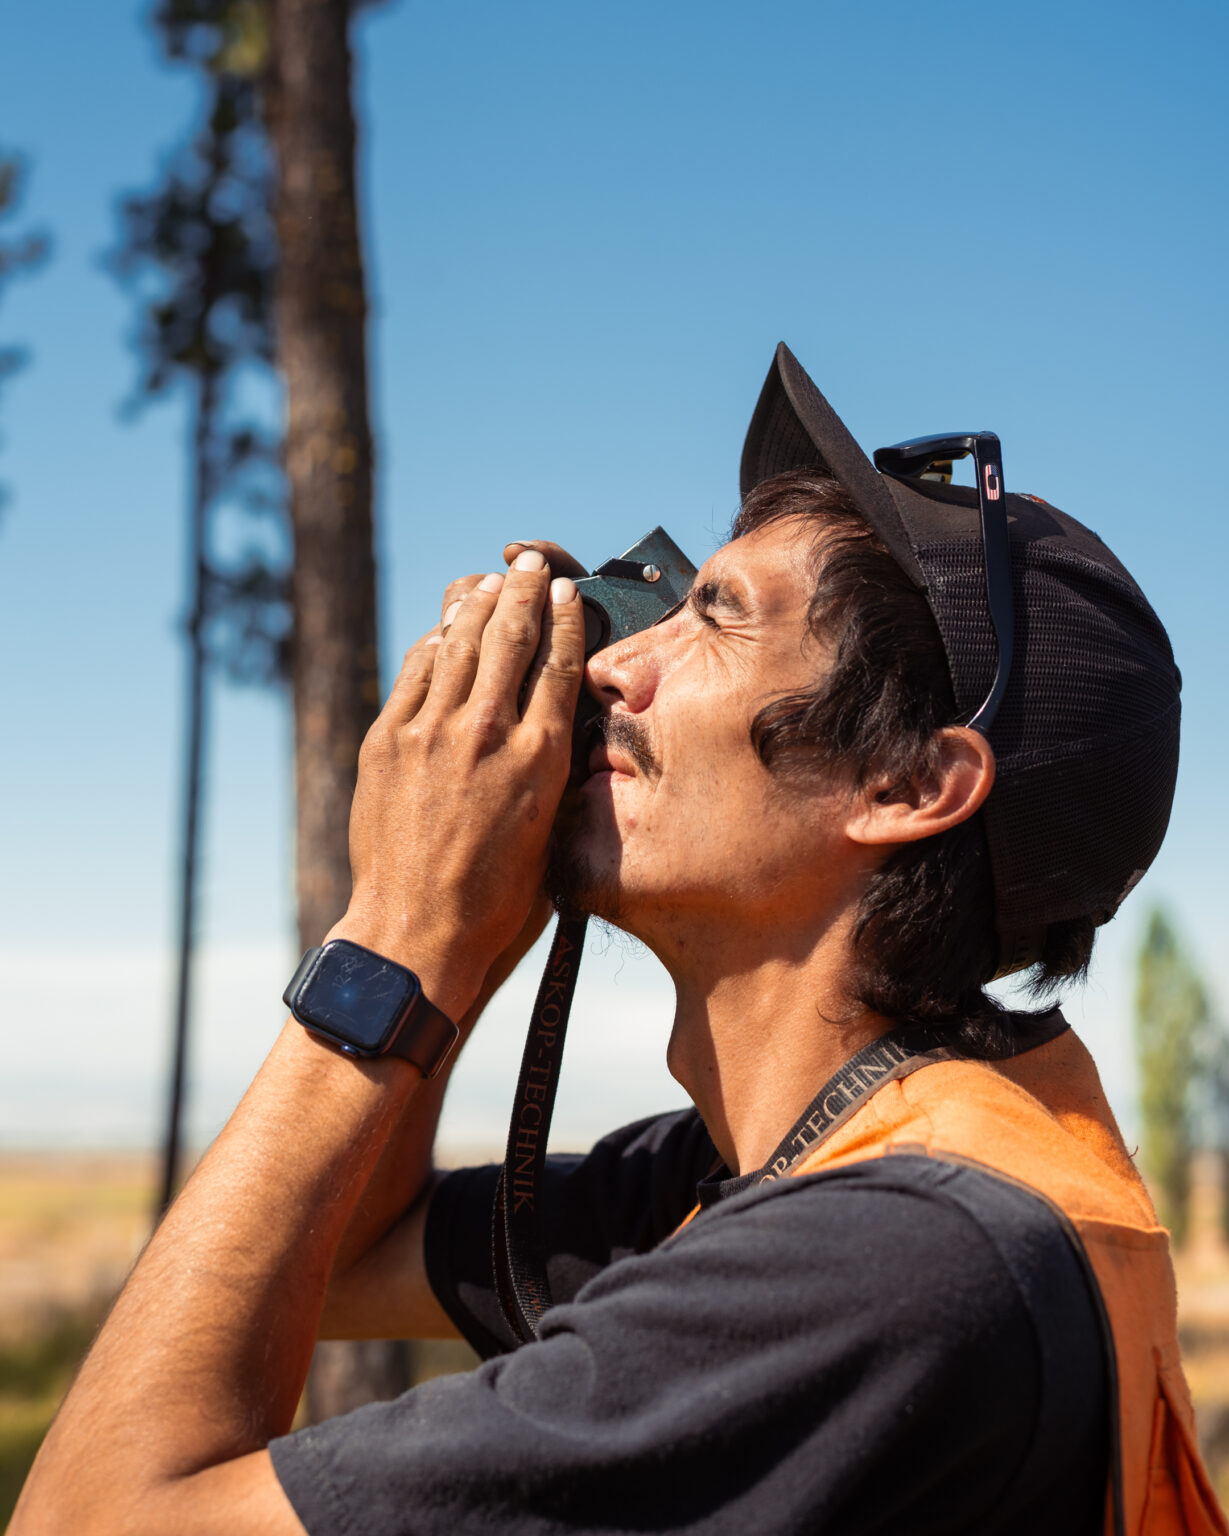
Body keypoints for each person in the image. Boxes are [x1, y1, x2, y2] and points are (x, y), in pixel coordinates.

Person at [14, 346, 1225, 1535]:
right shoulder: (782, 1168)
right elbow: (339, 1254)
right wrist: (472, 921)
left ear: (907, 785)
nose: (605, 660)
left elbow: (88, 1519)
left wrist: (398, 929)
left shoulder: (894, 1259)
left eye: (711, 614)